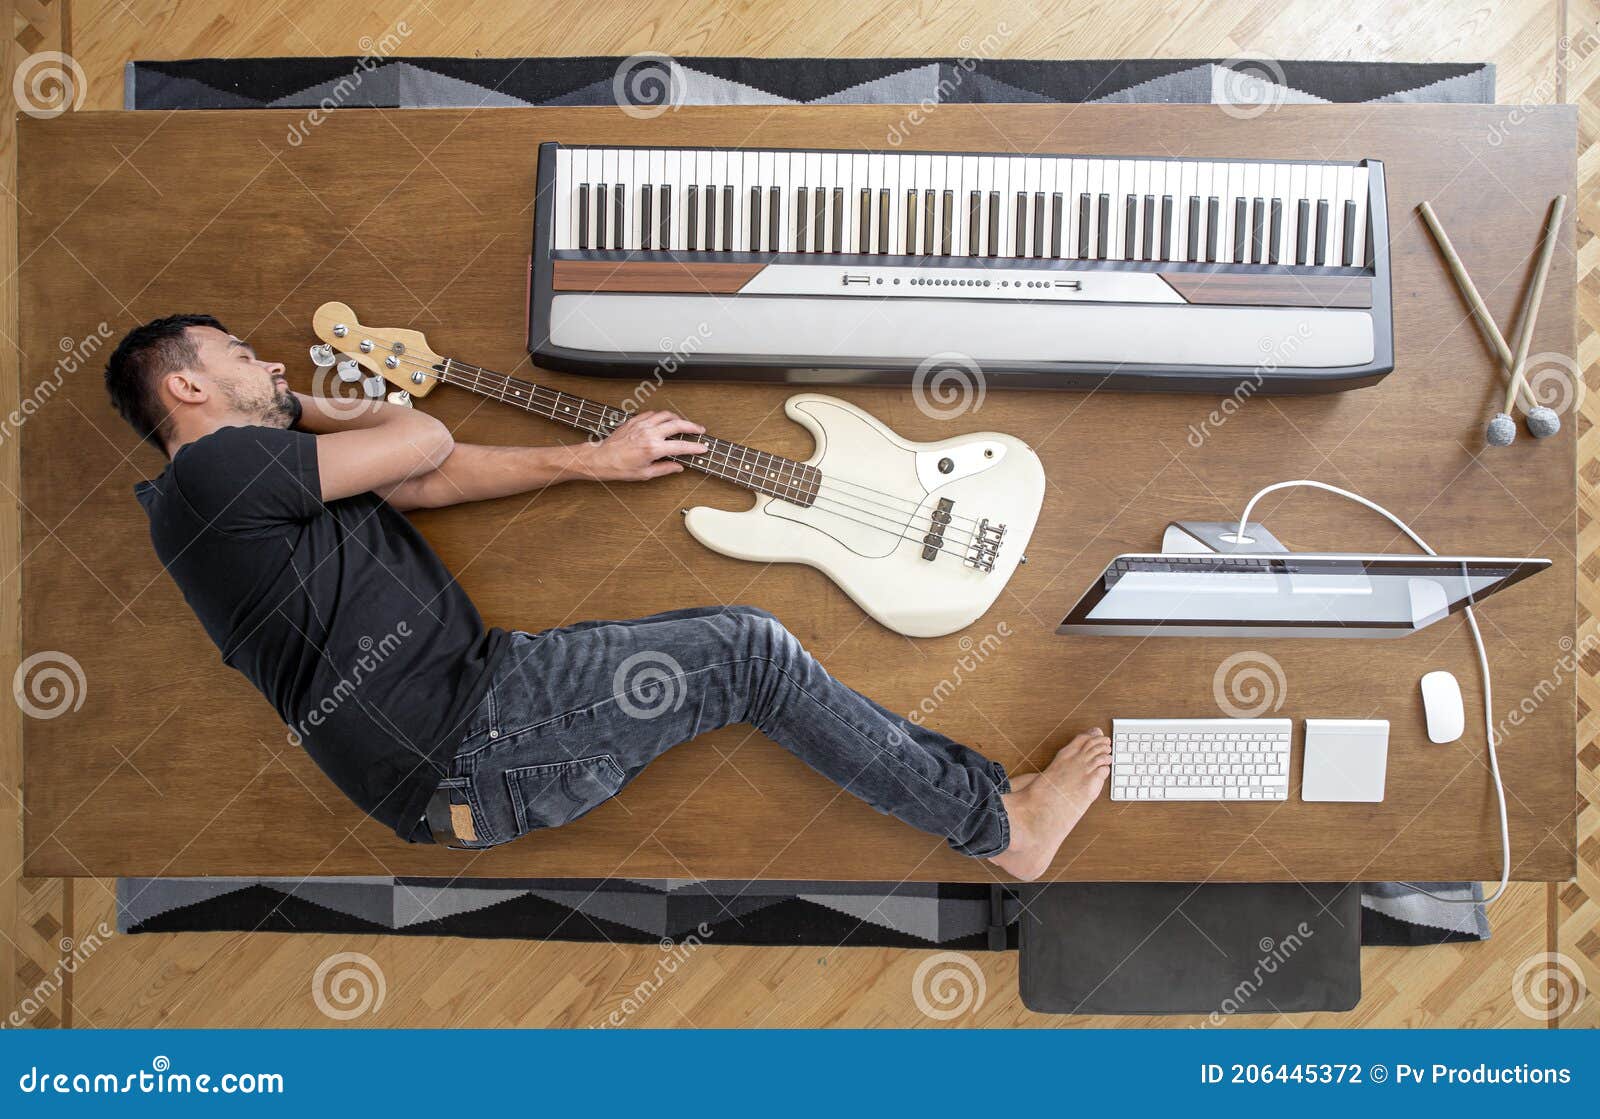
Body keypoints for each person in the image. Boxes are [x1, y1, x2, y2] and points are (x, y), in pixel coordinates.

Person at [103, 314, 1109, 881]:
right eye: (240, 357)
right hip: (461, 745)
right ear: (185, 389)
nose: (269, 361)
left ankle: (994, 805)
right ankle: (1001, 830)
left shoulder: (229, 490)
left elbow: (423, 479)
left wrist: (593, 461)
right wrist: (312, 402)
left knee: (746, 659)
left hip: (475, 721)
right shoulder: (211, 473)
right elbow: (419, 441)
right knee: (749, 653)